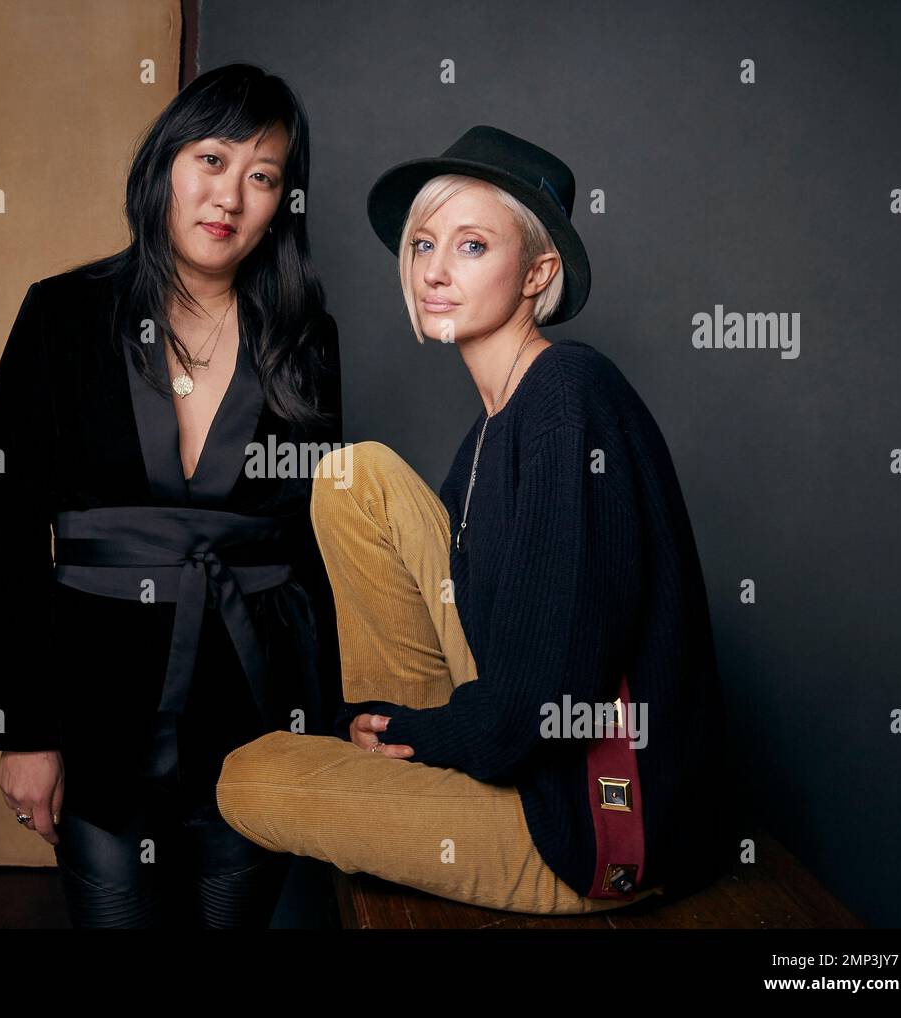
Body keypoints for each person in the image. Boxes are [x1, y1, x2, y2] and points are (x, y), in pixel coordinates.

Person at [217, 126, 729, 915]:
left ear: (538, 273)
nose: (436, 271)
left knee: (249, 776)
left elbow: (551, 693)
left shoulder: (570, 393)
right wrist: (397, 727)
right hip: (505, 757)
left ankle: (405, 753)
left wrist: (418, 737)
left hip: (586, 833)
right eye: (424, 245)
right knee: (357, 476)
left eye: (473, 246)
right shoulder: (489, 433)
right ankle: (401, 750)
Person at [0, 63, 343, 928]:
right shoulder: (62, 315)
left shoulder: (305, 337)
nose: (231, 197)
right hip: (94, 700)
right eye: (211, 160)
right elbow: (7, 530)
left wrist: (334, 716)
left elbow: (321, 537)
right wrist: (23, 731)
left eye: (263, 176)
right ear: (164, 165)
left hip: (255, 702)